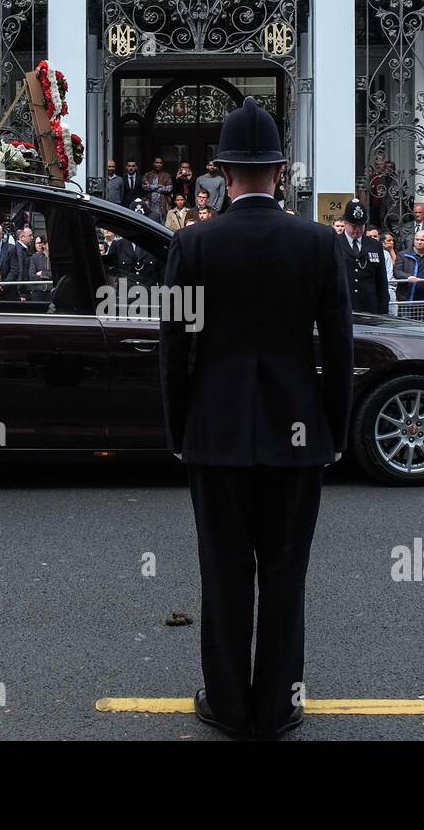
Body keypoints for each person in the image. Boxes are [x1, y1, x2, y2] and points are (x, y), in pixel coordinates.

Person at [159, 96, 351, 741]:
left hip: (214, 433)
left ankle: (227, 705)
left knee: (224, 570)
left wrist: (179, 430)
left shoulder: (191, 243)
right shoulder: (319, 243)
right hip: (296, 434)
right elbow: (339, 350)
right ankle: (277, 706)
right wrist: (335, 432)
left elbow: (176, 349)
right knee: (285, 572)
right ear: (280, 169)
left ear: (222, 170)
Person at [336, 200, 389, 315]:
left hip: (368, 308)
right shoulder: (335, 242)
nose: (358, 230)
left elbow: (381, 280)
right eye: (354, 226)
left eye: (361, 226)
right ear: (345, 223)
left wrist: (383, 310)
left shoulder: (374, 245)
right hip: (342, 306)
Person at [393, 230, 424, 320]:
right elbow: (396, 271)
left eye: (422, 240)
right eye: (417, 239)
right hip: (406, 298)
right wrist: (408, 277)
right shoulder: (403, 255)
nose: (419, 242)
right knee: (407, 327)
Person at [140, 157, 172, 223]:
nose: (158, 164)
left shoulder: (166, 175)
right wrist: (156, 186)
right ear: (153, 164)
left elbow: (169, 188)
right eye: (157, 163)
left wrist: (152, 188)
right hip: (150, 206)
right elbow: (144, 187)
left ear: (162, 164)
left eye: (160, 163)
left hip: (163, 207)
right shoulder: (147, 175)